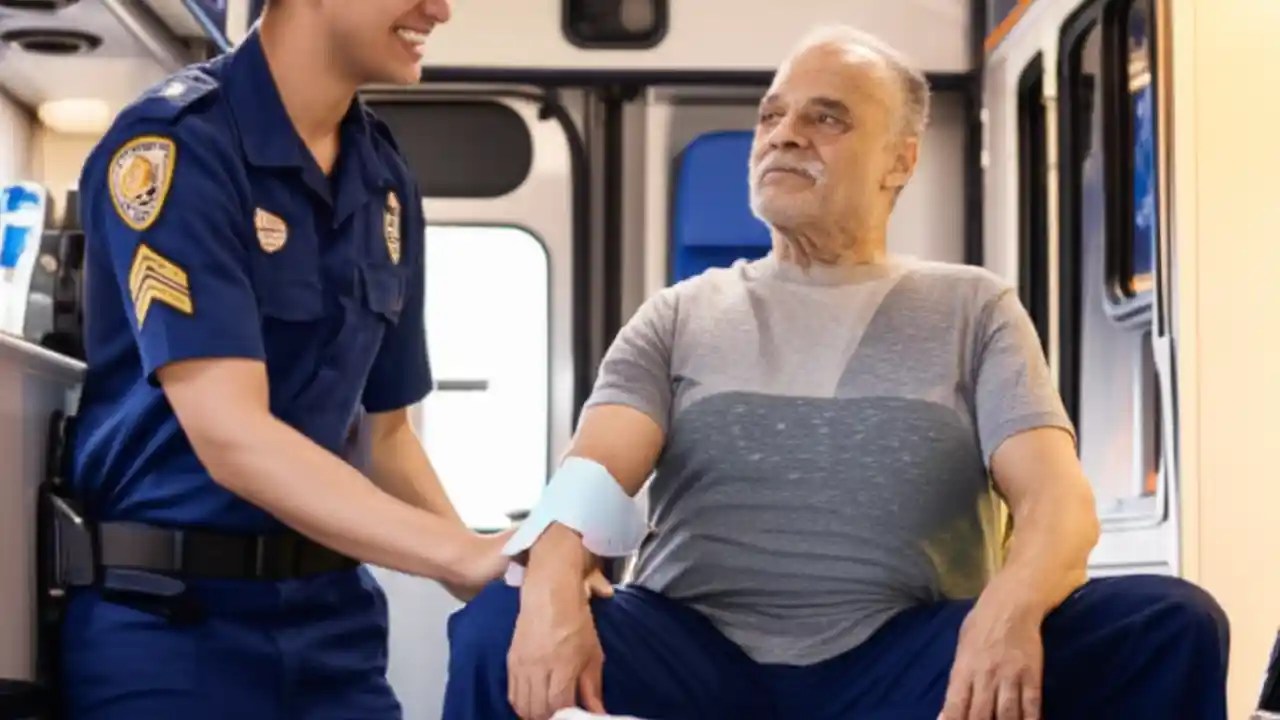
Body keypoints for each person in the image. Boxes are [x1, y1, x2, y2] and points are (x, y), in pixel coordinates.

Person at [442, 24, 1231, 720]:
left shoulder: (973, 309)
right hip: (698, 652)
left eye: (827, 117)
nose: (785, 134)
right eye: (772, 115)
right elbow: (587, 482)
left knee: (1171, 623)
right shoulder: (679, 315)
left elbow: (1060, 507)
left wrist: (1006, 612)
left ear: (900, 161)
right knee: (492, 624)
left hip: (904, 658)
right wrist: (549, 583)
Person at [59, 1, 509, 718]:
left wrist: (495, 569)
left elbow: (385, 438)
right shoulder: (176, 146)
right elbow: (233, 436)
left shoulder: (385, 178)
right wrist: (458, 554)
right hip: (175, 627)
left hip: (333, 629)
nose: (441, 8)